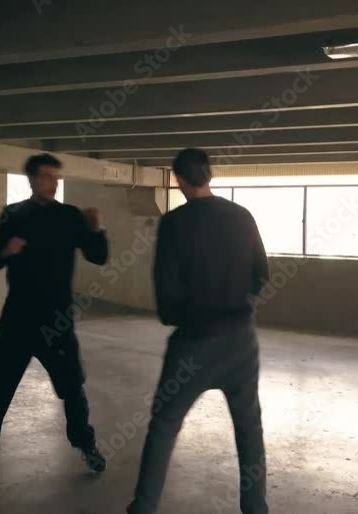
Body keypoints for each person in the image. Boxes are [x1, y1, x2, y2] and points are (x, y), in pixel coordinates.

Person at [128, 148, 270, 514]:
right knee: (249, 427)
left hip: (192, 343)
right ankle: (256, 508)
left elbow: (166, 294)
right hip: (241, 340)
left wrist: (184, 316)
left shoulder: (175, 223)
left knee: (164, 426)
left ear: (179, 179)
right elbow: (262, 274)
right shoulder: (243, 216)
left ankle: (142, 509)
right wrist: (240, 308)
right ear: (211, 175)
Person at [0, 153, 109, 482]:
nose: (54, 182)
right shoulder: (14, 215)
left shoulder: (70, 216)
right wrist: (6, 250)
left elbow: (98, 256)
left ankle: (86, 445)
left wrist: (97, 228)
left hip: (57, 321)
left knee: (73, 389)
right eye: (47, 176)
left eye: (56, 177)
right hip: (16, 319)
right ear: (31, 179)